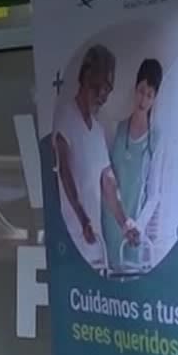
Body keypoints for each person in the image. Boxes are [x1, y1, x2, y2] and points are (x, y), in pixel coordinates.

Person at [52, 43, 117, 274]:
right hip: (75, 242)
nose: (103, 96)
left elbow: (107, 181)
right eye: (100, 87)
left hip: (96, 246)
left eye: (108, 90)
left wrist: (125, 221)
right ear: (87, 78)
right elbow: (64, 172)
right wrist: (83, 219)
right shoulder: (65, 118)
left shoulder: (98, 132)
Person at [101, 59, 166, 276]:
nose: (143, 99)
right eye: (141, 91)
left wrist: (137, 226)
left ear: (155, 98)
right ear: (135, 89)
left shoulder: (156, 139)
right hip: (111, 222)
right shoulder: (118, 130)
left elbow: (154, 193)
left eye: (149, 95)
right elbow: (106, 176)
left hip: (135, 228)